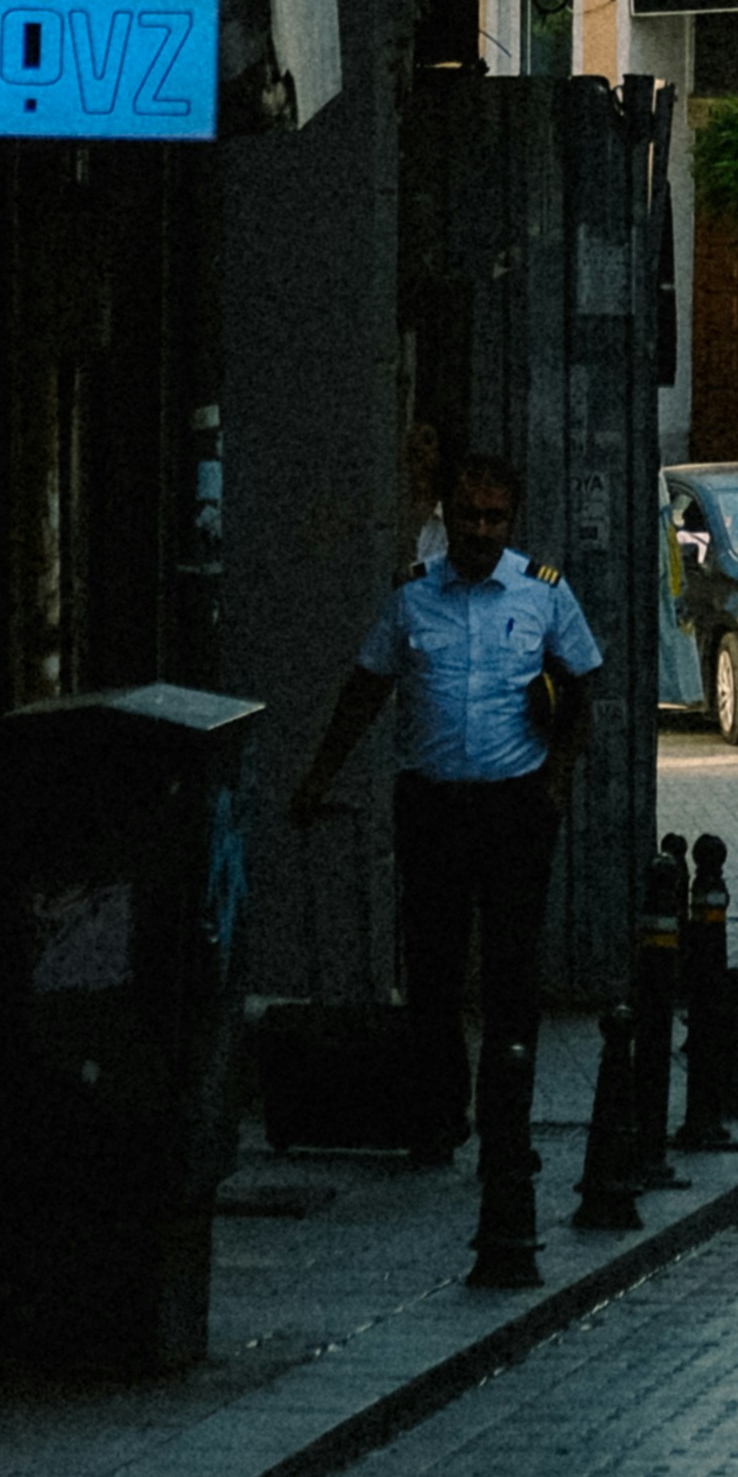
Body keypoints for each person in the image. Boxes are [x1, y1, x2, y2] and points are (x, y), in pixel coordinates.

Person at [294, 447, 603, 1166]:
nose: (483, 530)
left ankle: (507, 1130)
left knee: (510, 974)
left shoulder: (542, 594)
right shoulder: (412, 598)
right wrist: (318, 778)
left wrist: (555, 787)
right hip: (431, 807)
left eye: (497, 517)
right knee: (432, 973)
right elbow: (364, 691)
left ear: (512, 519)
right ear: (448, 517)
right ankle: (436, 1120)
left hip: (514, 808)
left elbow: (584, 691)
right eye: (470, 516)